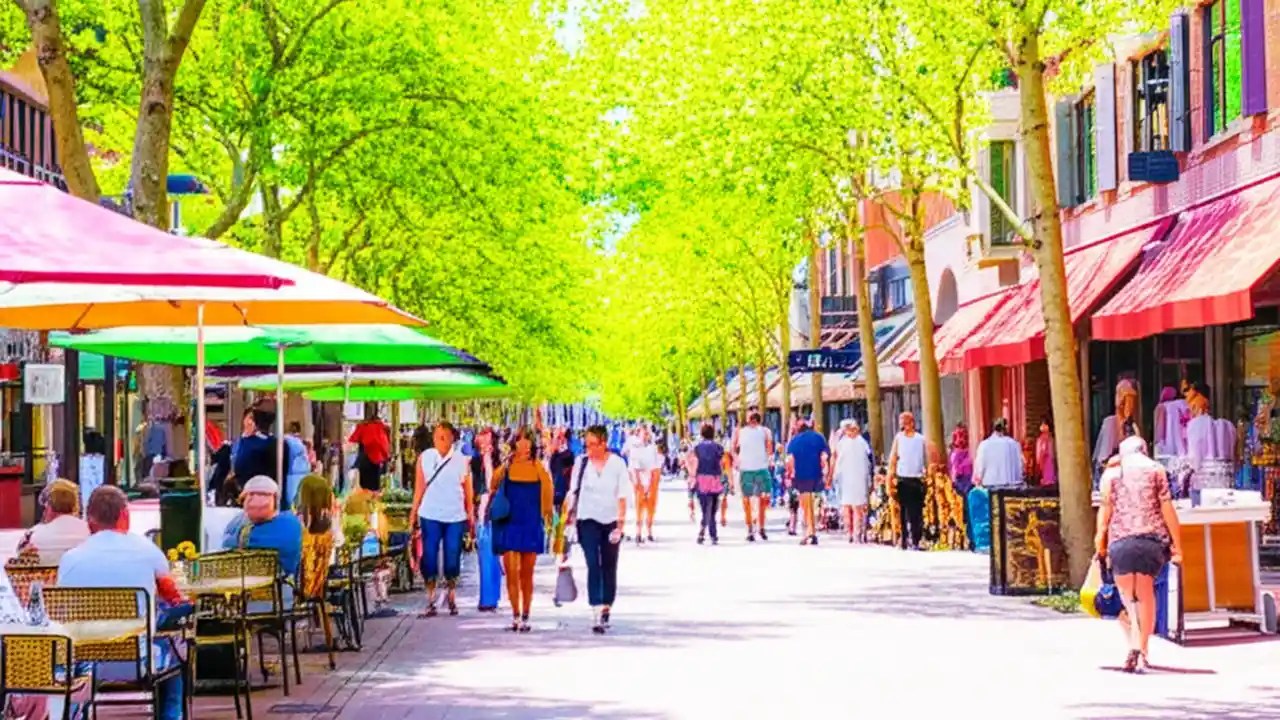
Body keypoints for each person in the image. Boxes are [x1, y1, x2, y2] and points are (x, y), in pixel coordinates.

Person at [58, 486, 188, 720]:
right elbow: (173, 597)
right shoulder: (147, 550)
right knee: (174, 657)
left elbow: (63, 613)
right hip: (137, 660)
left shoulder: (70, 559)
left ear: (90, 521)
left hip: (83, 663)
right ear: (125, 515)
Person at [1095, 435, 1183, 673]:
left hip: (1120, 542)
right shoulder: (1156, 470)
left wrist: (1100, 544)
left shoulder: (1111, 475)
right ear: (1144, 450)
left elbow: (1104, 514)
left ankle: (1134, 643)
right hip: (1151, 542)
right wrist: (1178, 545)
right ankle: (1143, 651)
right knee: (1144, 596)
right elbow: (1167, 509)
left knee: (1127, 598)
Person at [564, 425, 629, 634]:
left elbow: (622, 496)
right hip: (587, 519)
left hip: (610, 520)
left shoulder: (618, 464)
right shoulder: (581, 463)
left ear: (604, 443)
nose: (589, 449)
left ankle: (607, 605)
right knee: (593, 563)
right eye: (587, 444)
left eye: (593, 444)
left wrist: (620, 524)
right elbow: (573, 492)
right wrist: (568, 518)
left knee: (609, 564)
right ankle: (596, 608)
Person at [489, 426, 553, 632]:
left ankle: (526, 614)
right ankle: (515, 614)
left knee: (527, 572)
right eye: (520, 440)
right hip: (510, 521)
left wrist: (548, 520)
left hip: (531, 522)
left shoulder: (539, 468)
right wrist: (505, 462)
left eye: (527, 440)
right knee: (511, 571)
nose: (523, 444)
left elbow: (547, 497)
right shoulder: (507, 466)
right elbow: (493, 484)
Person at [410, 422, 474, 618]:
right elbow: (419, 487)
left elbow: (467, 490)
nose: (441, 440)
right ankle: (430, 597)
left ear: (452, 438)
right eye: (438, 436)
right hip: (430, 513)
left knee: (452, 554)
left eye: (445, 436)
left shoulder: (462, 460)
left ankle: (451, 594)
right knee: (429, 555)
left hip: (454, 515)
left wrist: (470, 513)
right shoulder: (425, 458)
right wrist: (414, 511)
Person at [222, 475, 304, 577]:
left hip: (242, 584)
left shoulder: (238, 524)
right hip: (283, 586)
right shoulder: (292, 523)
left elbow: (226, 546)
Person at [16, 479, 89, 564]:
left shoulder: (32, 536)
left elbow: (20, 560)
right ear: (76, 506)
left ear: (48, 507)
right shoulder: (90, 532)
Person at [470, 427, 502, 612]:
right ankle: (487, 597)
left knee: (493, 554)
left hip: (495, 510)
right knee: (485, 554)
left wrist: (488, 460)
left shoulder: (498, 461)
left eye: (488, 440)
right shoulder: (474, 463)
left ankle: (492, 597)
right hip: (481, 510)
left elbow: (493, 485)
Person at [785, 417, 830, 546]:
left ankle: (809, 532)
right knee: (814, 503)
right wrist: (826, 473)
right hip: (816, 474)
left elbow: (790, 460)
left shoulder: (794, 441)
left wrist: (789, 474)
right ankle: (812, 530)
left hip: (801, 475)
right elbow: (824, 457)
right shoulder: (819, 438)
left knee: (805, 504)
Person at [888, 411, 928, 550]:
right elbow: (893, 458)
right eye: (902, 424)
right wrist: (890, 476)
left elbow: (926, 457)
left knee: (916, 511)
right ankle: (904, 539)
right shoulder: (899, 438)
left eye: (906, 423)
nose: (904, 426)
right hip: (903, 478)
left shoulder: (920, 439)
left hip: (916, 478)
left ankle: (916, 539)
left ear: (912, 423)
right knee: (904, 511)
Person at [733, 411, 774, 542]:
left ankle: (750, 528)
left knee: (747, 500)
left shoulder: (740, 431)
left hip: (746, 469)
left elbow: (733, 448)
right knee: (763, 499)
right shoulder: (765, 431)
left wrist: (738, 460)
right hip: (761, 468)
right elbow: (769, 449)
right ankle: (761, 527)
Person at [687, 424, 730, 545]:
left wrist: (691, 480)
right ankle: (713, 534)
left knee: (705, 507)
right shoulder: (719, 448)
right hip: (715, 479)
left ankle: (703, 530)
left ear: (702, 434)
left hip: (701, 480)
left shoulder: (696, 448)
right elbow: (724, 463)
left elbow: (691, 465)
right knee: (713, 509)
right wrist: (727, 480)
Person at [833, 419, 873, 544]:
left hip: (859, 477)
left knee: (858, 506)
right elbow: (837, 459)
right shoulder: (842, 444)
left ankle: (857, 532)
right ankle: (850, 531)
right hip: (846, 477)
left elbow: (869, 459)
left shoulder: (862, 443)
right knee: (847, 506)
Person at [233, 405, 280, 492]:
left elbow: (240, 467)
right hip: (251, 488)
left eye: (253, 419)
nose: (250, 422)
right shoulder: (238, 442)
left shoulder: (255, 443)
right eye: (249, 418)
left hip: (253, 488)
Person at [628, 425, 661, 544]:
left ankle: (649, 531)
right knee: (639, 505)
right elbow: (633, 466)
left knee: (651, 506)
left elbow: (656, 465)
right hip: (640, 479)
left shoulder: (652, 448)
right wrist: (636, 481)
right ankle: (638, 532)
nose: (646, 435)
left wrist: (654, 480)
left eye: (648, 433)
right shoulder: (634, 448)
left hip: (650, 477)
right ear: (638, 434)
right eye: (644, 433)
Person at [973, 418, 1025, 491]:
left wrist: (978, 480)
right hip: (1011, 486)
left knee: (994, 502)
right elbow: (1021, 465)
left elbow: (980, 466)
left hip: (990, 485)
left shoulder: (984, 445)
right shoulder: (1014, 444)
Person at [349, 408, 391, 494]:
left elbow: (353, 440)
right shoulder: (381, 427)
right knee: (376, 489)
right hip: (377, 462)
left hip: (364, 461)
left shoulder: (363, 426)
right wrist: (387, 457)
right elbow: (384, 446)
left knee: (365, 488)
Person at [284, 421, 311, 510]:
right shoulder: (299, 443)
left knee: (292, 503)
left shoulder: (287, 441)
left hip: (292, 474)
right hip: (300, 473)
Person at [1036, 417, 1057, 487]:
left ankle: (1049, 480)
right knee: (1044, 470)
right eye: (1042, 425)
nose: (1043, 427)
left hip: (1048, 457)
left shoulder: (1050, 437)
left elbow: (1051, 447)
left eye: (1045, 425)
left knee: (1049, 469)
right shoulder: (1041, 438)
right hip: (1043, 457)